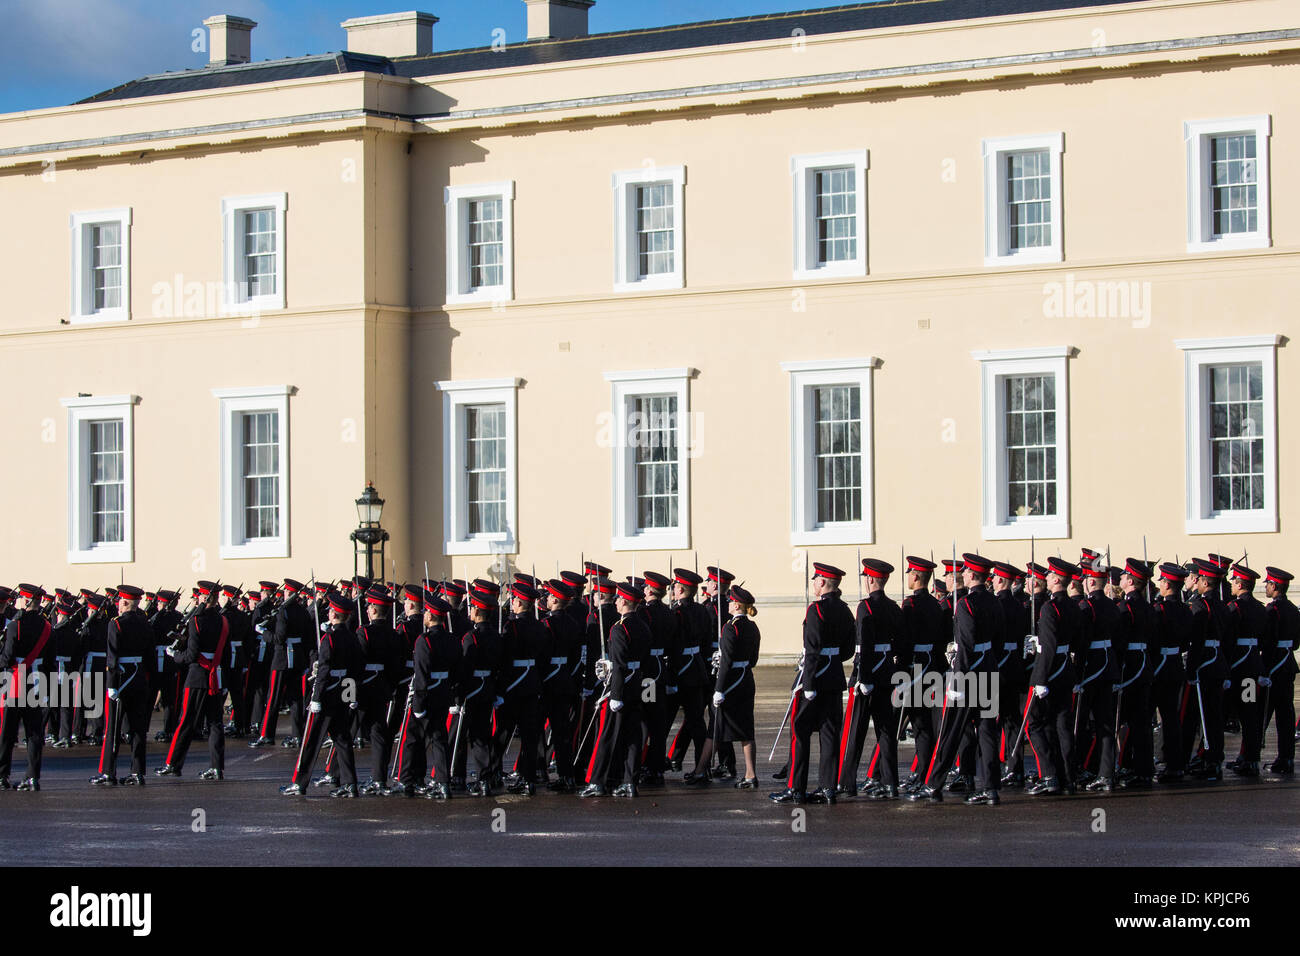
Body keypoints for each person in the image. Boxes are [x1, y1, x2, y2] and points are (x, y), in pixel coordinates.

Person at [770, 563, 854, 805]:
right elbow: (848, 648)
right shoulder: (845, 610)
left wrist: (807, 683)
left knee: (800, 732)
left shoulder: (816, 610)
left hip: (815, 678)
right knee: (829, 734)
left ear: (822, 582)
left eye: (816, 579)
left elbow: (813, 648)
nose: (814, 583)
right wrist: (833, 658)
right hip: (834, 676)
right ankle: (828, 788)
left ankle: (796, 788)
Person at [280, 592, 364, 797]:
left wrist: (315, 698)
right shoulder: (352, 638)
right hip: (342, 692)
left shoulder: (330, 639)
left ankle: (299, 783)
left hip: (326, 695)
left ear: (334, 614)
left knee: (311, 740)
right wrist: (350, 696)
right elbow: (355, 669)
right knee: (343, 740)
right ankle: (350, 783)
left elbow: (324, 671)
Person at [579, 580, 650, 798]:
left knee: (607, 735)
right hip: (638, 683)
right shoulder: (643, 625)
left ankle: (597, 781)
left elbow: (619, 664)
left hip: (621, 686)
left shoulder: (620, 629)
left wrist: (615, 694)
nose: (616, 601)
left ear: (626, 602)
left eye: (619, 599)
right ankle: (629, 781)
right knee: (633, 736)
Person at [156, 581, 229, 780]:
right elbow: (226, 652)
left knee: (186, 721)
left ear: (204, 598)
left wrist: (174, 655)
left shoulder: (196, 621)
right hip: (216, 675)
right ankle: (216, 767)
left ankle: (173, 763)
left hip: (198, 676)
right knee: (215, 723)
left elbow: (191, 655)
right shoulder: (223, 621)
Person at [392, 591, 461, 798]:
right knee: (439, 739)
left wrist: (419, 703)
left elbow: (421, 674)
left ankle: (406, 780)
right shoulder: (452, 639)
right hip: (443, 693)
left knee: (411, 739)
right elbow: (456, 669)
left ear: (430, 616)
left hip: (427, 694)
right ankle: (443, 783)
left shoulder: (424, 640)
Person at [90, 585, 155, 786]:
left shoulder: (116, 624)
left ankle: (109, 771)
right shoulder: (145, 624)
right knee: (138, 729)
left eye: (120, 601)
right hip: (139, 679)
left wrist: (110, 684)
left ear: (125, 602)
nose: (118, 604)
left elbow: (112, 656)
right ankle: (137, 772)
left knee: (113, 728)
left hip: (121, 680)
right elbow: (150, 656)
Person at [0, 584, 52, 791]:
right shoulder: (47, 626)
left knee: (7, 731)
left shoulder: (15, 625)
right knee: (34, 732)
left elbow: (7, 658)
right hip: (38, 681)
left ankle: (2, 775)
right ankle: (32, 777)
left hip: (15, 680)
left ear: (25, 601)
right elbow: (50, 660)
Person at [711, 585, 761, 788]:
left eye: (731, 601)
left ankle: (703, 768)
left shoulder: (730, 627)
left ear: (736, 605)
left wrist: (719, 689)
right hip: (746, 679)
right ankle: (750, 773)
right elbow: (754, 659)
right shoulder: (752, 627)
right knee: (746, 729)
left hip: (731, 682)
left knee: (717, 726)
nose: (729, 604)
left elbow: (726, 661)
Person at [1151, 562, 1190, 782]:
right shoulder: (1186, 609)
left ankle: (1153, 762)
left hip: (1160, 666)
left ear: (1167, 584)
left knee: (1150, 716)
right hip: (1175, 664)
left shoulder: (1160, 610)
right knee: (1171, 718)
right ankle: (1176, 764)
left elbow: (1153, 640)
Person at [1262, 567, 1297, 774]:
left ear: (1274, 586)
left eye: (1268, 584)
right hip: (1287, 665)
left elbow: (1267, 643)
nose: (1266, 587)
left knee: (1260, 714)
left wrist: (1264, 670)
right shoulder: (1293, 609)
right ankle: (1286, 758)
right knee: (1286, 716)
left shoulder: (1271, 610)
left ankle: (1250, 756)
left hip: (1272, 666)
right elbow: (1296, 644)